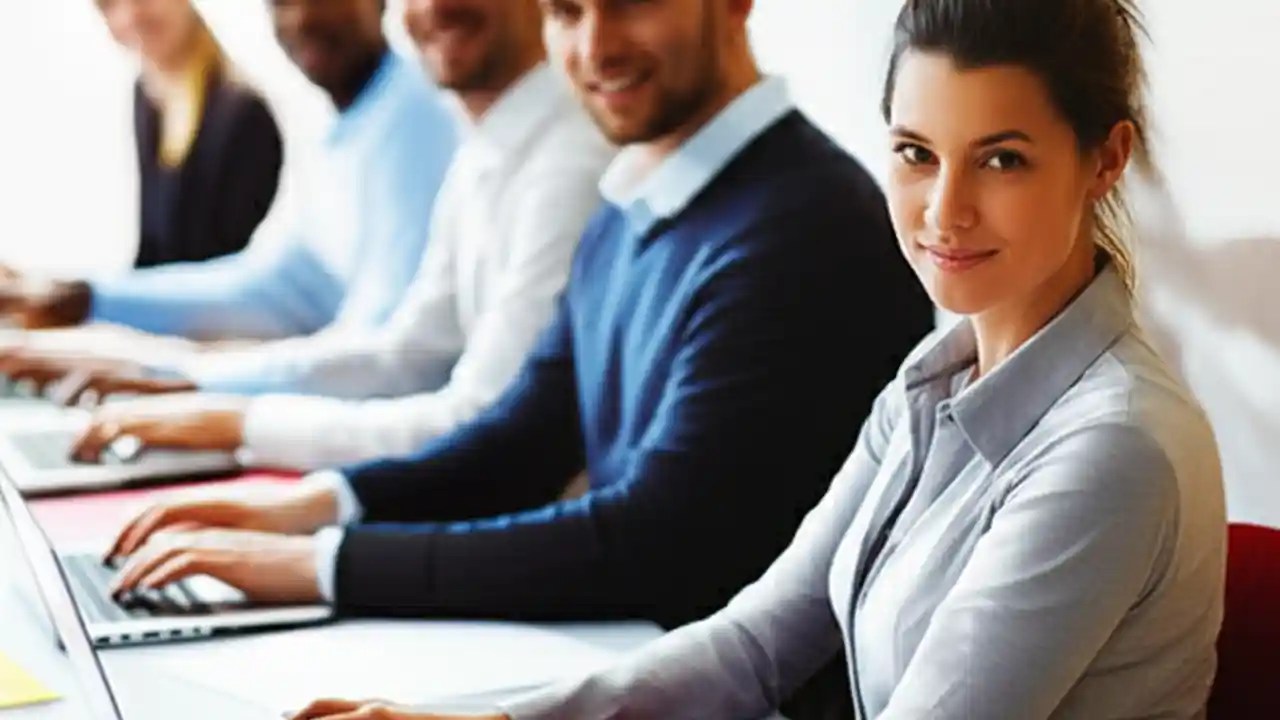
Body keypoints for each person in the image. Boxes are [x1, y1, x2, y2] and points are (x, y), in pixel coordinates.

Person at [282, 0, 1226, 718]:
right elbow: (758, 642)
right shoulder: (927, 391)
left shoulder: (1111, 450)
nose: (944, 211)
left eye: (1002, 159)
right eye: (914, 152)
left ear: (1105, 161)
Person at [99, 0, 934, 656]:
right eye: (568, 11)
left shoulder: (804, 225)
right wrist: (312, 509)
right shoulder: (638, 195)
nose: (596, 47)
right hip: (616, 658)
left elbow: (651, 543)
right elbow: (521, 436)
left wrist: (324, 565)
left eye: (631, 3)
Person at [53, 0, 615, 469]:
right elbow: (399, 348)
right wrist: (177, 378)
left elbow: (471, 412)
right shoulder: (478, 143)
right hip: (443, 464)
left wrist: (230, 414)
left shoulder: (546, 152)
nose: (300, 17)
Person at [0, 0, 455, 342]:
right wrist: (81, 297)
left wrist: (195, 383)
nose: (300, 19)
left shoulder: (415, 113)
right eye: (281, 2)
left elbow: (387, 352)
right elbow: (275, 286)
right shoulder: (339, 127)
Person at [113, 0, 283, 269]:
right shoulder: (147, 98)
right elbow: (151, 249)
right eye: (107, 5)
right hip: (167, 302)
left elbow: (226, 267)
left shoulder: (242, 113)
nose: (129, 16)